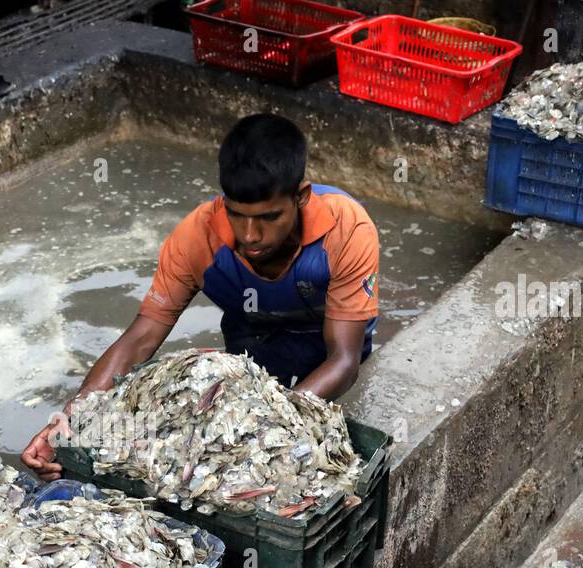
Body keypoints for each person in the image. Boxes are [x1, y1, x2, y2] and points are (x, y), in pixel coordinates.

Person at [22, 113, 380, 480]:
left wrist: (269, 430)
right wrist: (69, 417)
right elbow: (141, 338)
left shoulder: (347, 229)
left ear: (301, 197)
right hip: (253, 334)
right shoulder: (196, 237)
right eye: (238, 215)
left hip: (327, 337)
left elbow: (344, 358)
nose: (251, 234)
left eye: (269, 217)